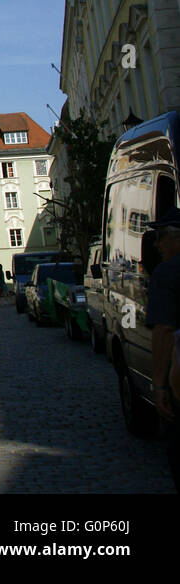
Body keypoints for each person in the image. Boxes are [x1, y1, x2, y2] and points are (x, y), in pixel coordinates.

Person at [143, 209, 180, 492]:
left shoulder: (167, 272)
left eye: (160, 237)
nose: (156, 245)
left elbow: (164, 331)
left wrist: (158, 384)